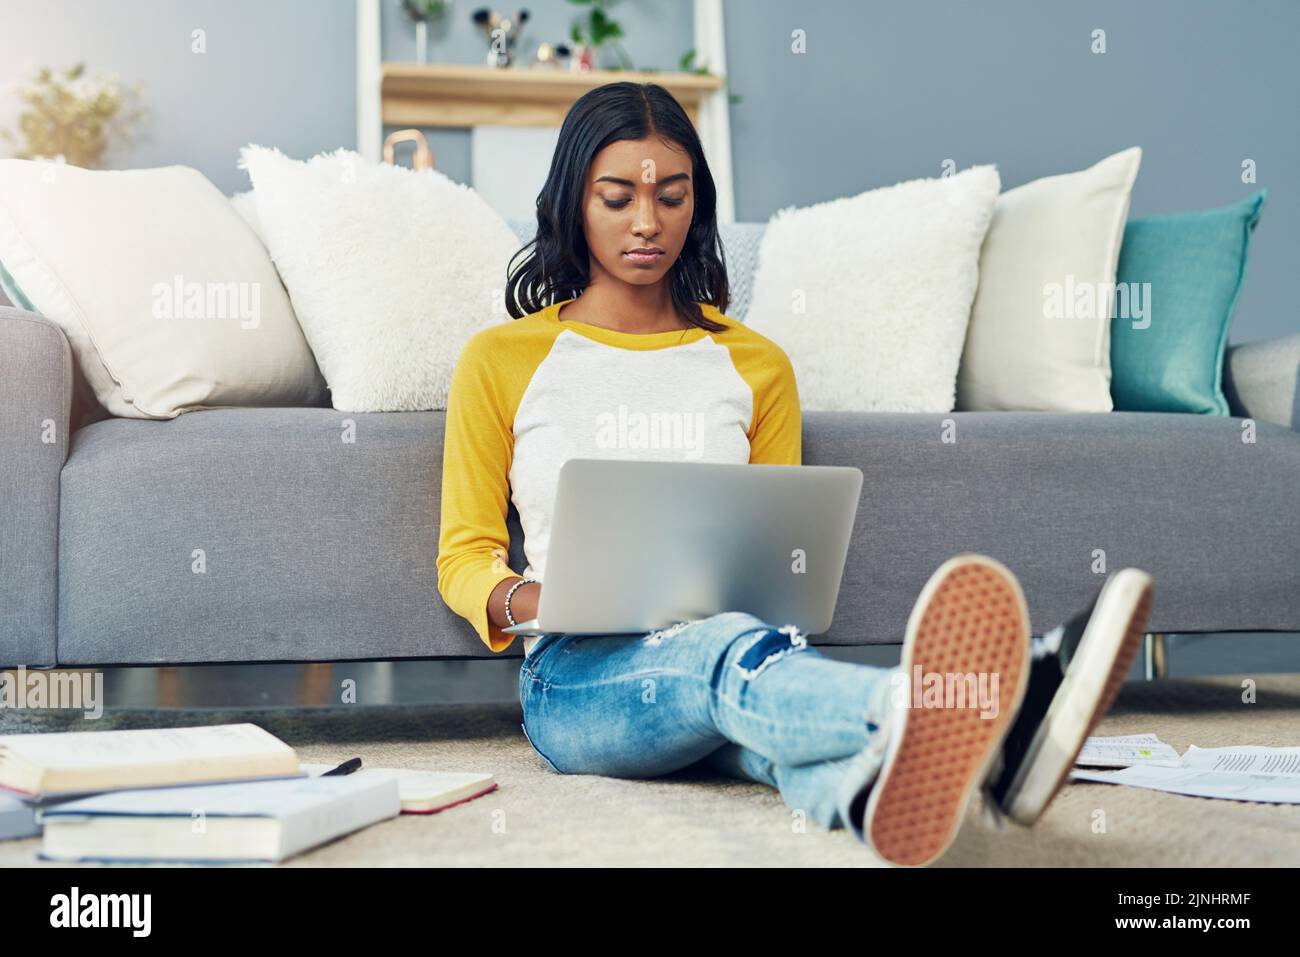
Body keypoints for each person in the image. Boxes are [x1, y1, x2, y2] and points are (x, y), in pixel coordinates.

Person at [435, 81, 1154, 866]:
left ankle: (869, 796)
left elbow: (781, 562)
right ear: (574, 202)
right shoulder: (500, 359)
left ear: (695, 206)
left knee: (757, 715)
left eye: (671, 197)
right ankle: (984, 710)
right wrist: (538, 598)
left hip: (729, 646)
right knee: (725, 661)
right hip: (575, 679)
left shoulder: (757, 365)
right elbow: (465, 556)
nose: (647, 222)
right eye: (617, 198)